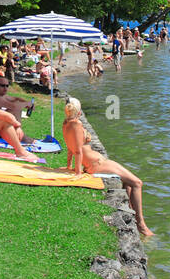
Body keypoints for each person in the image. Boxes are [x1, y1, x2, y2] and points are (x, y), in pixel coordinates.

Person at [63, 98, 153, 237]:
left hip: (97, 162)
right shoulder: (76, 124)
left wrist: (69, 166)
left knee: (128, 184)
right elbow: (78, 151)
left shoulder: (66, 124)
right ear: (79, 112)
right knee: (137, 183)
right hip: (96, 164)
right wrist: (78, 172)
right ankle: (141, 225)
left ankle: (133, 219)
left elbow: (70, 148)